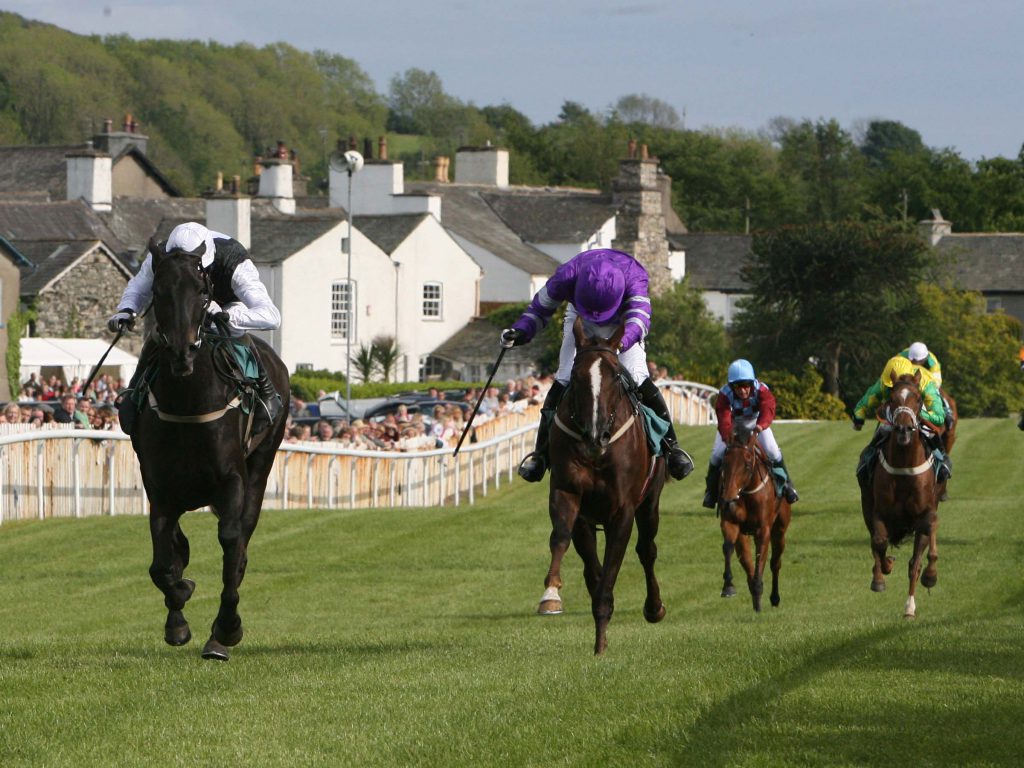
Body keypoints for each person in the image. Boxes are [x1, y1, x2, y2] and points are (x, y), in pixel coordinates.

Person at [500, 247, 694, 483]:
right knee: (564, 376)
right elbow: (538, 310)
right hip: (579, 317)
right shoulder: (566, 275)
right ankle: (540, 455)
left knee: (637, 375)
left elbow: (640, 319)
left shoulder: (634, 276)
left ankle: (672, 448)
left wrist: (618, 345)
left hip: (622, 320)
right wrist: (520, 331)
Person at [107, 221, 283, 435]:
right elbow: (138, 286)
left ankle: (265, 390)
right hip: (182, 304)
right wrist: (127, 309)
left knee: (230, 331)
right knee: (161, 332)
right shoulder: (162, 255)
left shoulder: (233, 261)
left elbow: (272, 317)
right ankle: (134, 390)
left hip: (226, 303)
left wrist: (226, 315)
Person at [701, 359, 799, 508]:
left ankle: (787, 484)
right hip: (734, 425)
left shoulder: (762, 389)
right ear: (731, 385)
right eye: (737, 386)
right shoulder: (724, 393)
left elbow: (768, 408)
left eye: (745, 385)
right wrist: (728, 436)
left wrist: (760, 427)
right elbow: (724, 417)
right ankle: (711, 492)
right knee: (716, 455)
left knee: (773, 451)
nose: (742, 390)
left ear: (752, 382)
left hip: (757, 423)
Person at [852, 354, 950, 482]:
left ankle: (942, 459)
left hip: (919, 410)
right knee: (883, 428)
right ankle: (868, 459)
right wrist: (858, 419)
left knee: (928, 432)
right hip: (894, 409)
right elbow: (865, 403)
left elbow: (939, 417)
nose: (894, 386)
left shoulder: (925, 383)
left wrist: (916, 414)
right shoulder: (885, 382)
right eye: (892, 385)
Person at [902, 341, 954, 432]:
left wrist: (926, 386)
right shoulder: (902, 355)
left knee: (936, 390)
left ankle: (947, 411)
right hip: (908, 377)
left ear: (924, 359)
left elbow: (937, 382)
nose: (916, 362)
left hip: (929, 377)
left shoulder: (932, 361)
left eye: (918, 361)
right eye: (913, 361)